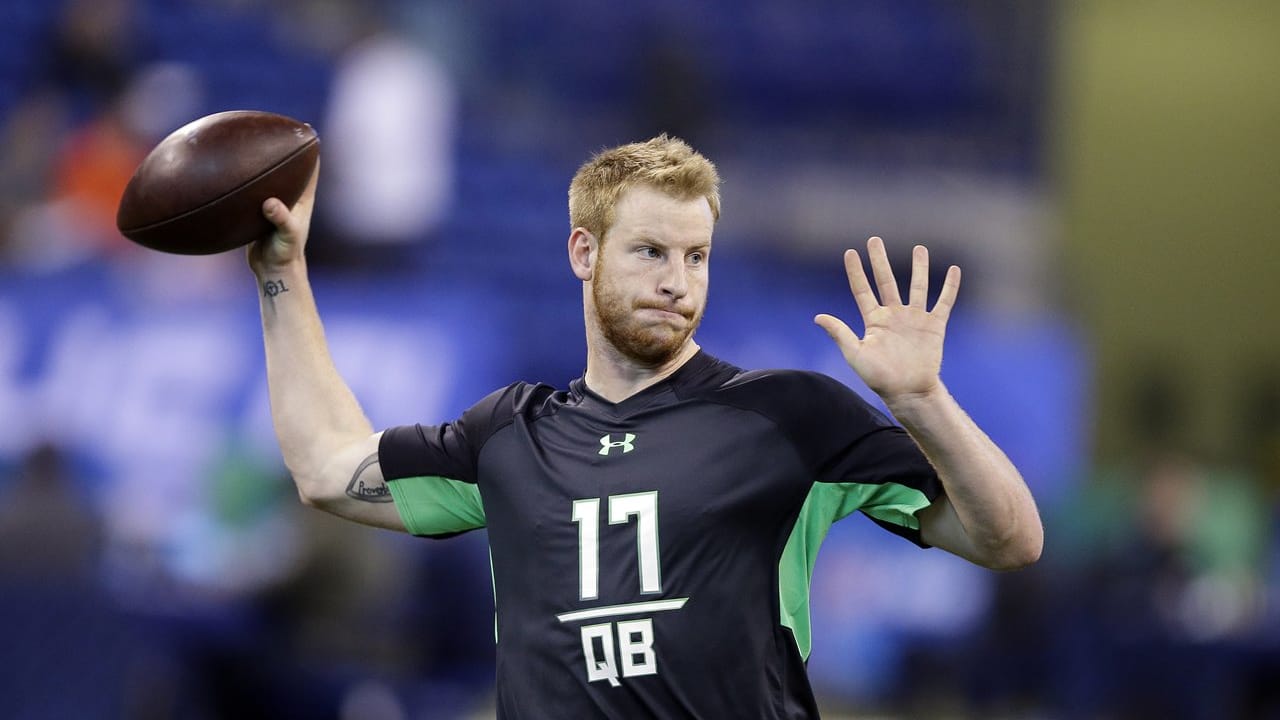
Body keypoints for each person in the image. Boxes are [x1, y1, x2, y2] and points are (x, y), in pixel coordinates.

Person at [249, 135, 1043, 718]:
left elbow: (1010, 540)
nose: (677, 282)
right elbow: (325, 468)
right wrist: (283, 275)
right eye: (652, 252)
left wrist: (924, 403)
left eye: (697, 257)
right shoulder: (509, 437)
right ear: (583, 253)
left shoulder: (789, 417)